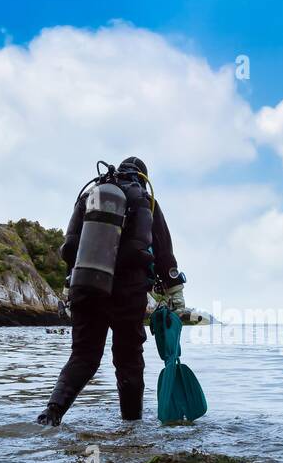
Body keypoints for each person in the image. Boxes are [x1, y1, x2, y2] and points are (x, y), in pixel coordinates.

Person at [37, 157, 186, 426]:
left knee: (83, 355)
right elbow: (163, 251)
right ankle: (132, 427)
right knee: (128, 358)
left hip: (86, 285)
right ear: (143, 177)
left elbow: (70, 248)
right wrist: (175, 293)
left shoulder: (91, 194)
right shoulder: (144, 199)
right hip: (127, 290)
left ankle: (51, 413)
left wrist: (69, 285)